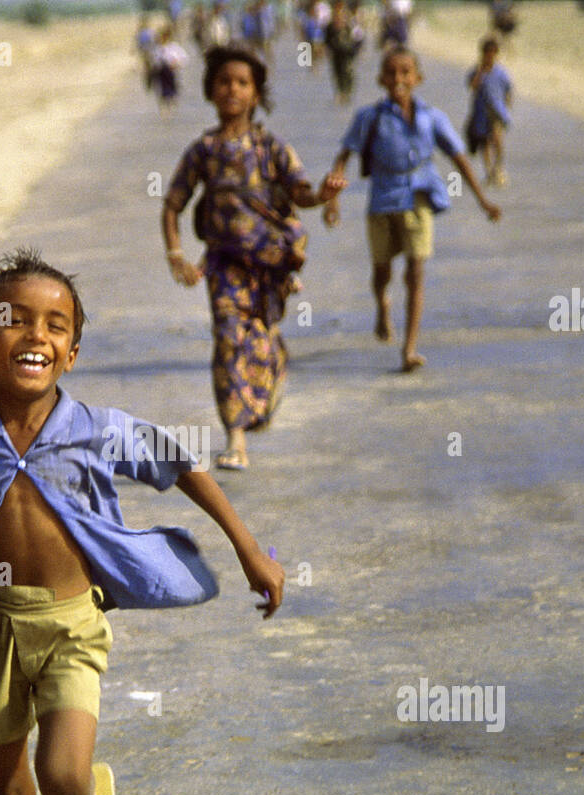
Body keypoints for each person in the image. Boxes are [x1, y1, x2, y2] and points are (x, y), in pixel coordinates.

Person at [0, 249, 286, 795]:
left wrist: (248, 549)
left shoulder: (96, 430)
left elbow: (181, 464)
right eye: (14, 320)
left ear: (71, 352)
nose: (35, 335)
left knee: (62, 774)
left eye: (55, 325)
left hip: (72, 624)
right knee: (7, 786)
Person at [161, 45, 343, 470]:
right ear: (210, 90)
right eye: (224, 81)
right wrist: (176, 256)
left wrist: (322, 194)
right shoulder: (202, 151)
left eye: (242, 83)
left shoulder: (271, 147)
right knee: (227, 339)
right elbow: (173, 205)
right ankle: (235, 438)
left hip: (270, 265)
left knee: (259, 339)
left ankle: (272, 366)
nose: (232, 90)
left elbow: (301, 192)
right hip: (223, 265)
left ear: (256, 94)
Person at [323, 46, 500, 372]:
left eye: (406, 72)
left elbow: (458, 158)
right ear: (380, 79)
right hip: (381, 201)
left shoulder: (432, 117)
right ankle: (382, 304)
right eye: (391, 73)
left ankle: (409, 348)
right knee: (382, 272)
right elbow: (343, 157)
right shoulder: (369, 117)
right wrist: (332, 199)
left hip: (419, 199)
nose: (398, 79)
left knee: (416, 273)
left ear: (418, 77)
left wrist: (483, 201)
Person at [465, 37, 513, 187]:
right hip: (481, 112)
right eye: (487, 53)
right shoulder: (476, 71)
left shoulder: (501, 72)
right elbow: (472, 87)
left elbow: (508, 90)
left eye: (493, 53)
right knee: (484, 143)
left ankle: (498, 168)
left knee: (497, 139)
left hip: (497, 112)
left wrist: (506, 107)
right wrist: (480, 72)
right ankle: (488, 172)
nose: (490, 56)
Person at [324, 0, 364, 105]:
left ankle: (347, 91)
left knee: (347, 72)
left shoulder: (350, 22)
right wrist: (327, 48)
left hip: (348, 52)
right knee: (337, 72)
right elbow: (327, 37)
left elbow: (358, 36)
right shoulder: (331, 23)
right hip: (336, 51)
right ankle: (341, 92)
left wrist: (357, 49)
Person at [153, 25, 190, 115]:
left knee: (172, 89)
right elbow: (155, 60)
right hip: (161, 72)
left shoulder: (174, 47)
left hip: (172, 71)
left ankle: (171, 106)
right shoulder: (157, 48)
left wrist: (177, 64)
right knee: (162, 90)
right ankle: (164, 108)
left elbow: (184, 58)